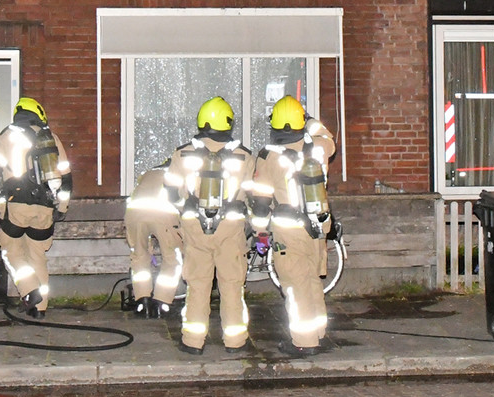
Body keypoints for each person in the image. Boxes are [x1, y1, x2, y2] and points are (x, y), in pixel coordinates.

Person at [163, 96, 254, 354]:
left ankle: (193, 342)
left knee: (198, 284)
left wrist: (186, 210)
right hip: (230, 226)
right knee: (232, 285)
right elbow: (252, 194)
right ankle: (235, 341)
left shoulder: (183, 153)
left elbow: (171, 191)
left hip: (195, 226)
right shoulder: (243, 156)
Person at [249, 94, 337, 356]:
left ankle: (303, 341)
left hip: (288, 231)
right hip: (318, 227)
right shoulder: (320, 148)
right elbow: (327, 136)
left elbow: (261, 202)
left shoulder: (267, 157)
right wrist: (310, 121)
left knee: (295, 286)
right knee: (311, 281)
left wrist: (260, 231)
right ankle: (318, 333)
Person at [0, 96, 72, 319]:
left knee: (10, 248)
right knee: (37, 255)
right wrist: (61, 207)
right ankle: (40, 308)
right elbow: (66, 177)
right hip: (45, 207)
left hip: (17, 205)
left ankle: (28, 290)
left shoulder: (6, 136)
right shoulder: (50, 138)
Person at [123, 160, 182, 319]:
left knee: (139, 256)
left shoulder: (148, 173)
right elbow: (182, 200)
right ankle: (162, 302)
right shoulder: (178, 173)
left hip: (134, 214)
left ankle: (143, 301)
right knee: (172, 258)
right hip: (164, 215)